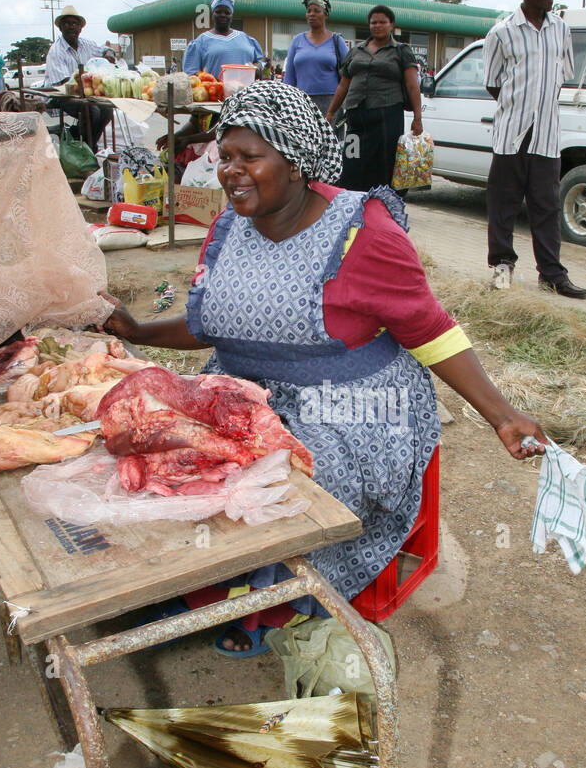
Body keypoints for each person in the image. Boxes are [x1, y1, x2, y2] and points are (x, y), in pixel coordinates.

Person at [100, 82, 546, 653]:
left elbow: (429, 329)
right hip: (242, 394)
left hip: (349, 405)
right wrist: (138, 331)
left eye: (250, 158)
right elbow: (216, 321)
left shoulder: (362, 233)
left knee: (278, 483)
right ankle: (194, 583)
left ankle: (263, 601)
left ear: (296, 162)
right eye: (225, 157)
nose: (231, 172)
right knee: (159, 450)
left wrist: (501, 414)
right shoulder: (229, 227)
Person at [483, 0, 586, 299]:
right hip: (512, 134)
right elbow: (493, 83)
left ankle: (552, 274)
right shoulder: (502, 33)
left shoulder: (561, 29)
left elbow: (562, 77)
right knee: (504, 204)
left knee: (547, 206)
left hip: (546, 136)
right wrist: (520, 107)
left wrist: (540, 110)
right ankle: (502, 267)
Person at [326, 5, 423, 191]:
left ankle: (382, 209)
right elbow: (343, 85)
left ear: (391, 25)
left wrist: (418, 118)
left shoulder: (401, 51)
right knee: (352, 162)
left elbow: (412, 86)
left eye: (382, 22)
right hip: (356, 118)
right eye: (373, 22)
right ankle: (354, 205)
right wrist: (330, 112)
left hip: (387, 117)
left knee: (384, 166)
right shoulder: (356, 51)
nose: (377, 25)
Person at [43, 5, 114, 151]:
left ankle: (88, 144)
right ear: (61, 28)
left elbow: (103, 49)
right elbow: (63, 83)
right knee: (91, 111)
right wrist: (87, 83)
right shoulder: (56, 51)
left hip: (85, 93)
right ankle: (87, 147)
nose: (71, 27)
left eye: (75, 24)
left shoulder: (86, 44)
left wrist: (109, 53)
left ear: (80, 28)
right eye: (67, 23)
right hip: (62, 94)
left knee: (107, 110)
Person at [284, 0, 348, 114]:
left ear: (326, 14)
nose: (312, 14)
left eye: (316, 11)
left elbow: (348, 74)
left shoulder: (337, 41)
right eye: (309, 11)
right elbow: (289, 77)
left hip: (331, 104)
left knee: (329, 134)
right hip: (301, 103)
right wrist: (287, 102)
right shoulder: (297, 41)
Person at [182, 0, 265, 80]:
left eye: (227, 12)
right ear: (212, 15)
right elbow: (191, 75)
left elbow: (259, 62)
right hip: (215, 91)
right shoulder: (200, 42)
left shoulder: (246, 39)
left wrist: (257, 67)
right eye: (218, 12)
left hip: (246, 92)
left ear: (232, 16)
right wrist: (213, 83)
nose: (223, 15)